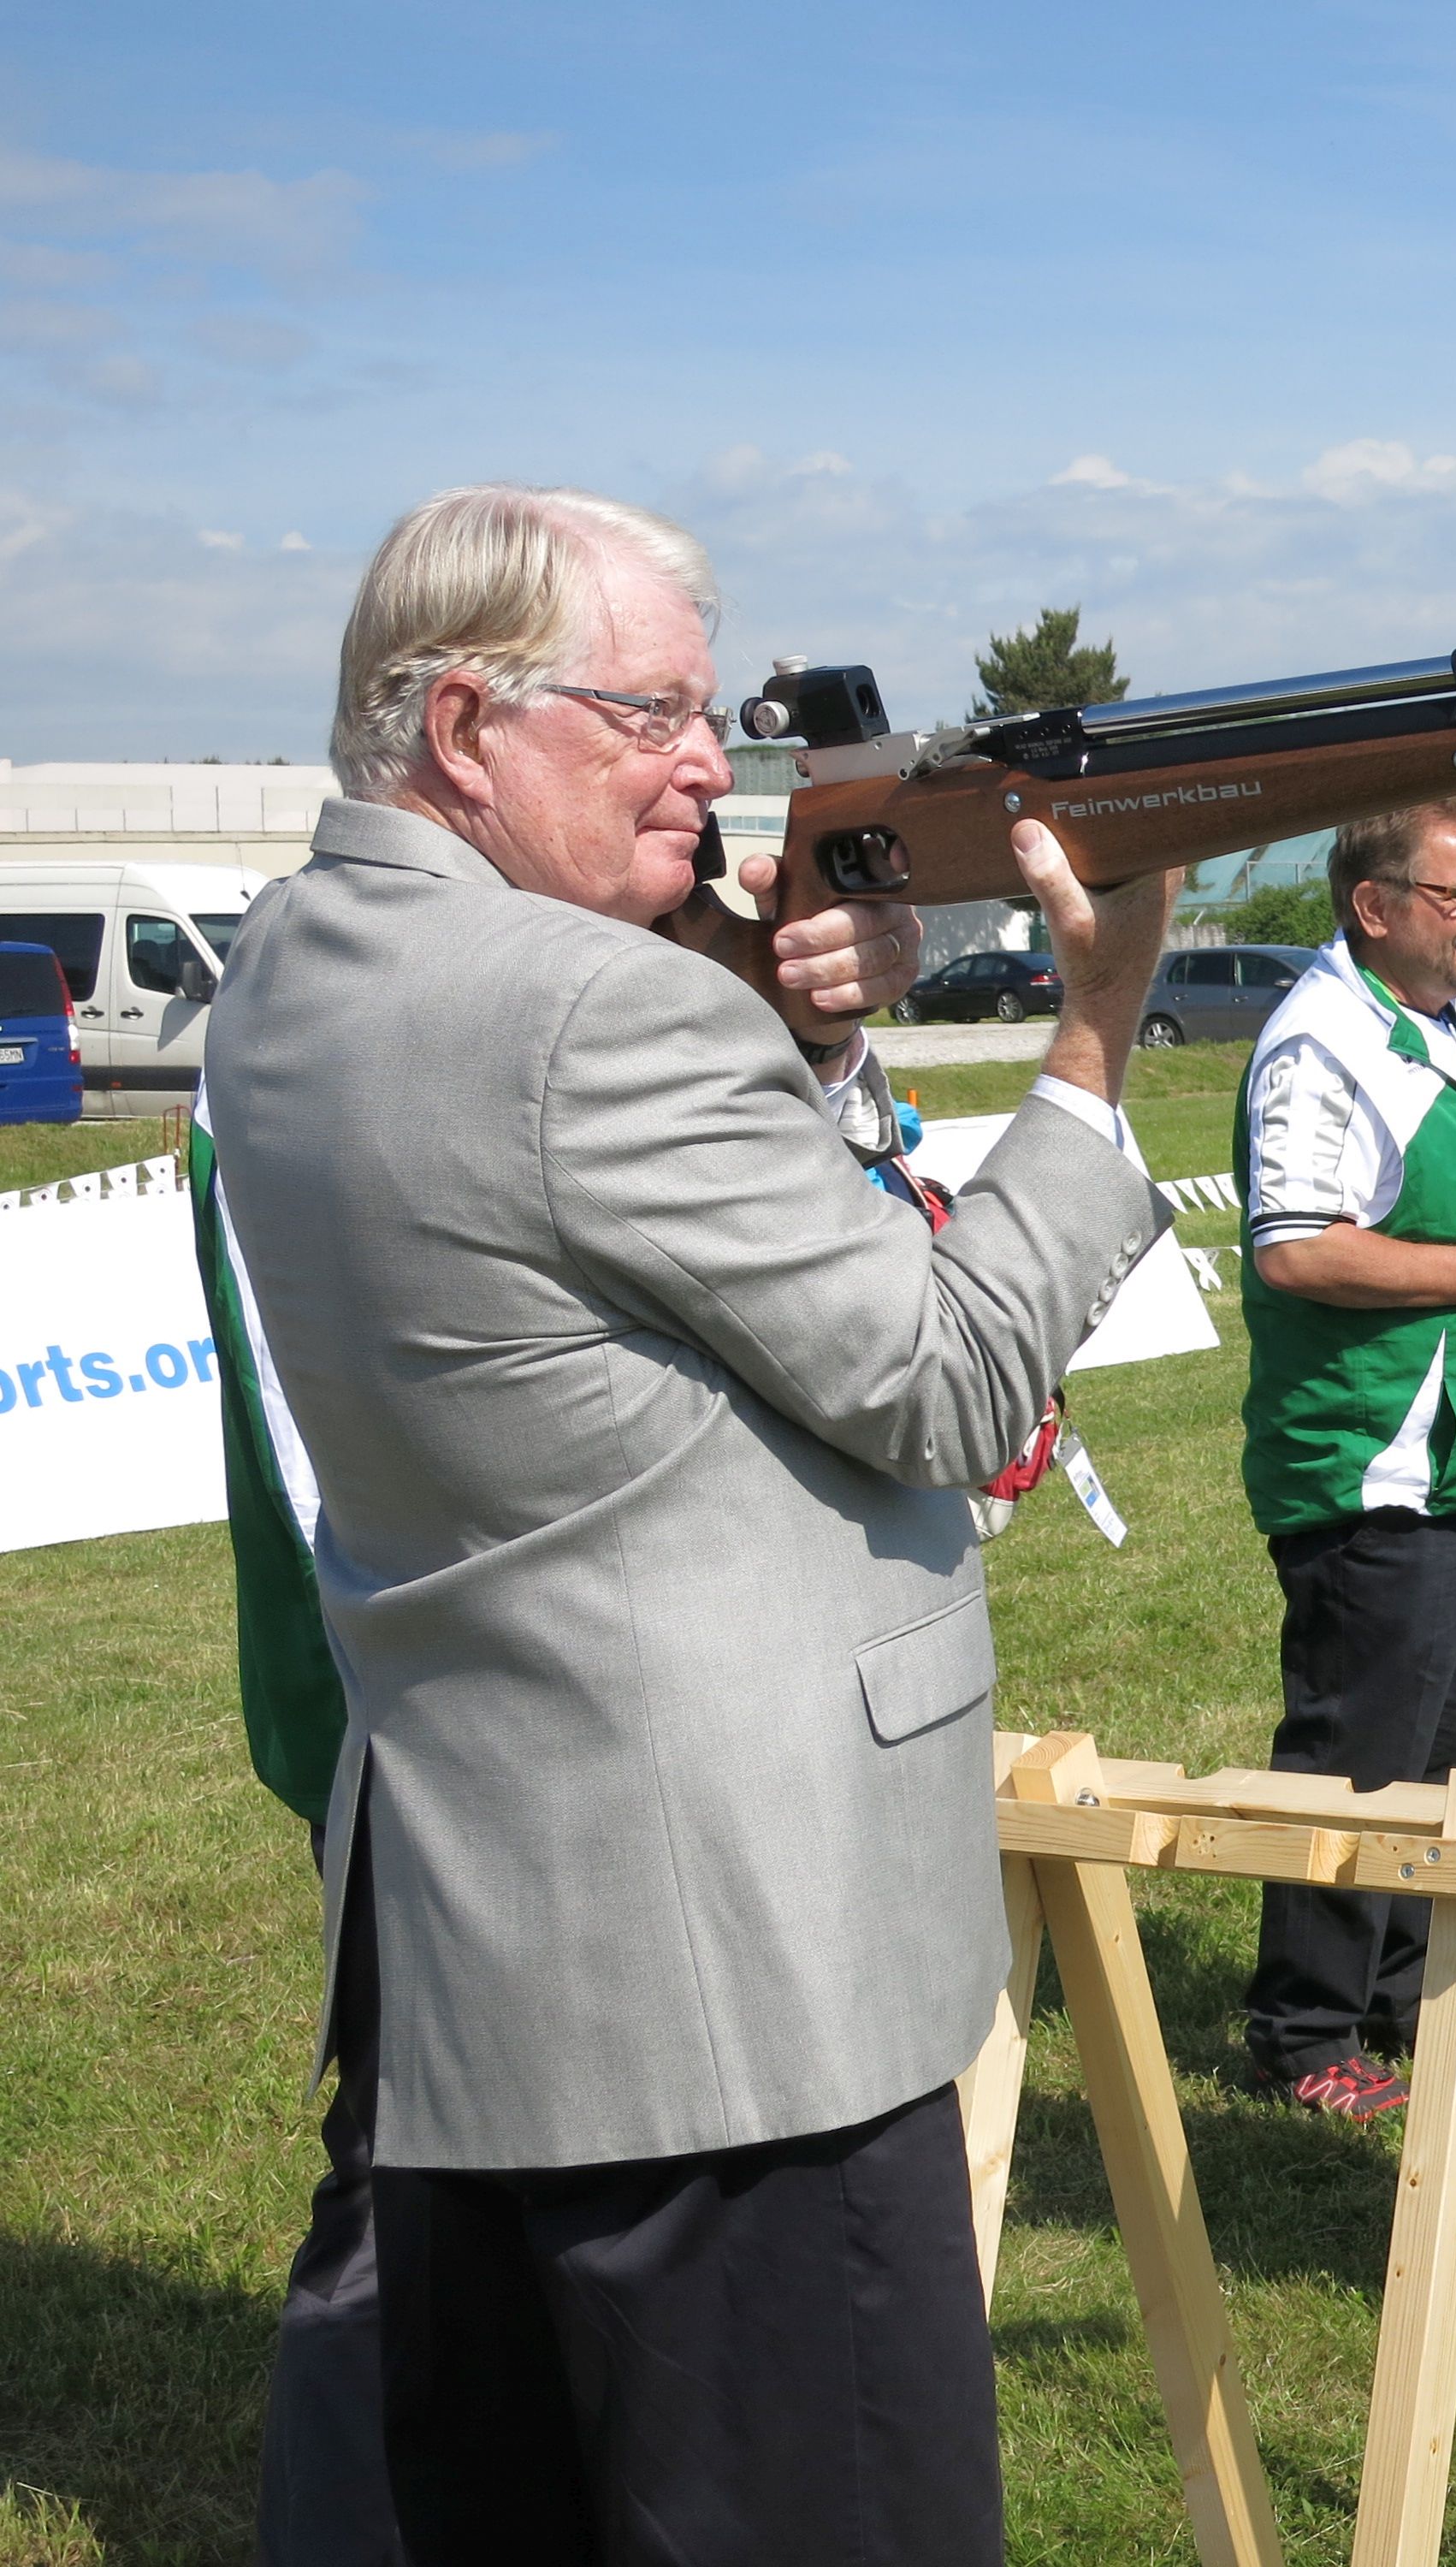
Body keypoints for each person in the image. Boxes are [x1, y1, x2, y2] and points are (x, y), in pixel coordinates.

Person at [204, 482, 1174, 2566]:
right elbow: (946, 1375)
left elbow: (577, 1233)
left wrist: (793, 1031)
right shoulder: (598, 1009)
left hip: (495, 1952)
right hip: (743, 1990)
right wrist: (1093, 1042)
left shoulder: (294, 956)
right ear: (467, 725)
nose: (700, 764)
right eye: (645, 716)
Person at [202, 869, 932, 2567]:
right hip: (460, 1723)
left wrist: (811, 1051)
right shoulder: (355, 1041)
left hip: (620, 1716)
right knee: (415, 2205)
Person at [1232, 797, 1456, 2119]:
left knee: (1453, 1746)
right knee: (1360, 1758)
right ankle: (1305, 2028)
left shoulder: (1422, 1017)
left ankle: (1407, 2002)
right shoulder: (1317, 1043)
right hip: (1378, 1468)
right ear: (1373, 908)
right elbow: (1295, 1245)